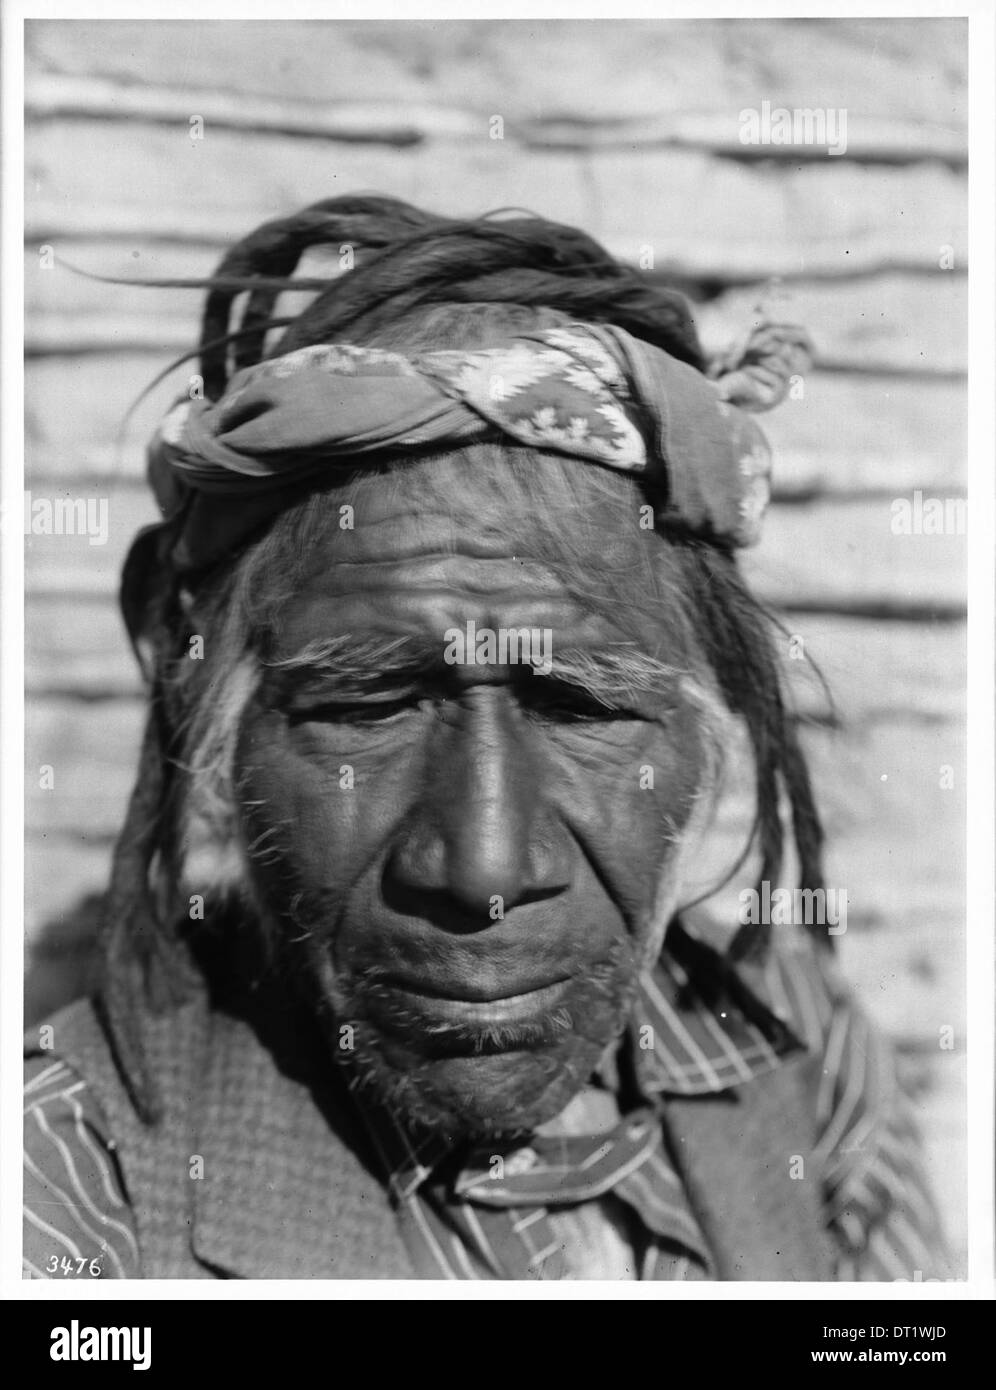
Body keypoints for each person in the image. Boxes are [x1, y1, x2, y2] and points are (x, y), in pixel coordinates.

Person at [24, 197, 948, 1280]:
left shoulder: (799, 1049)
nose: (486, 867)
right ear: (197, 684)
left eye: (584, 707)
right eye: (368, 707)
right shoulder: (71, 1189)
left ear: (711, 714)